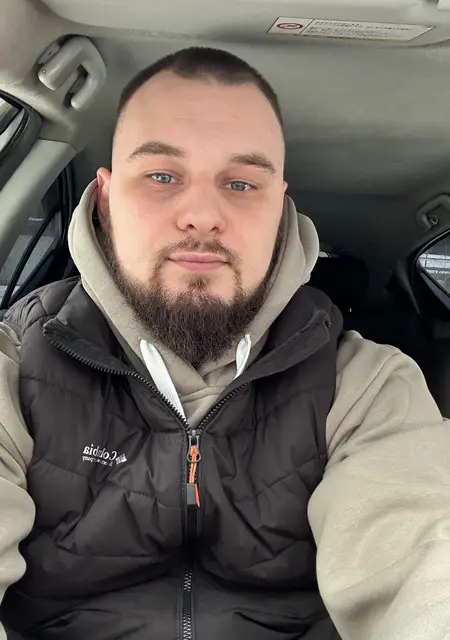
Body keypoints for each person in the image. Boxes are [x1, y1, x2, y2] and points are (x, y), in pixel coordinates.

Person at [0, 47, 449, 640]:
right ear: (106, 199)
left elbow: (424, 552)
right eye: (162, 176)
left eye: (241, 183)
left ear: (279, 209)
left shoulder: (366, 385)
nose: (203, 215)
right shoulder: (16, 363)